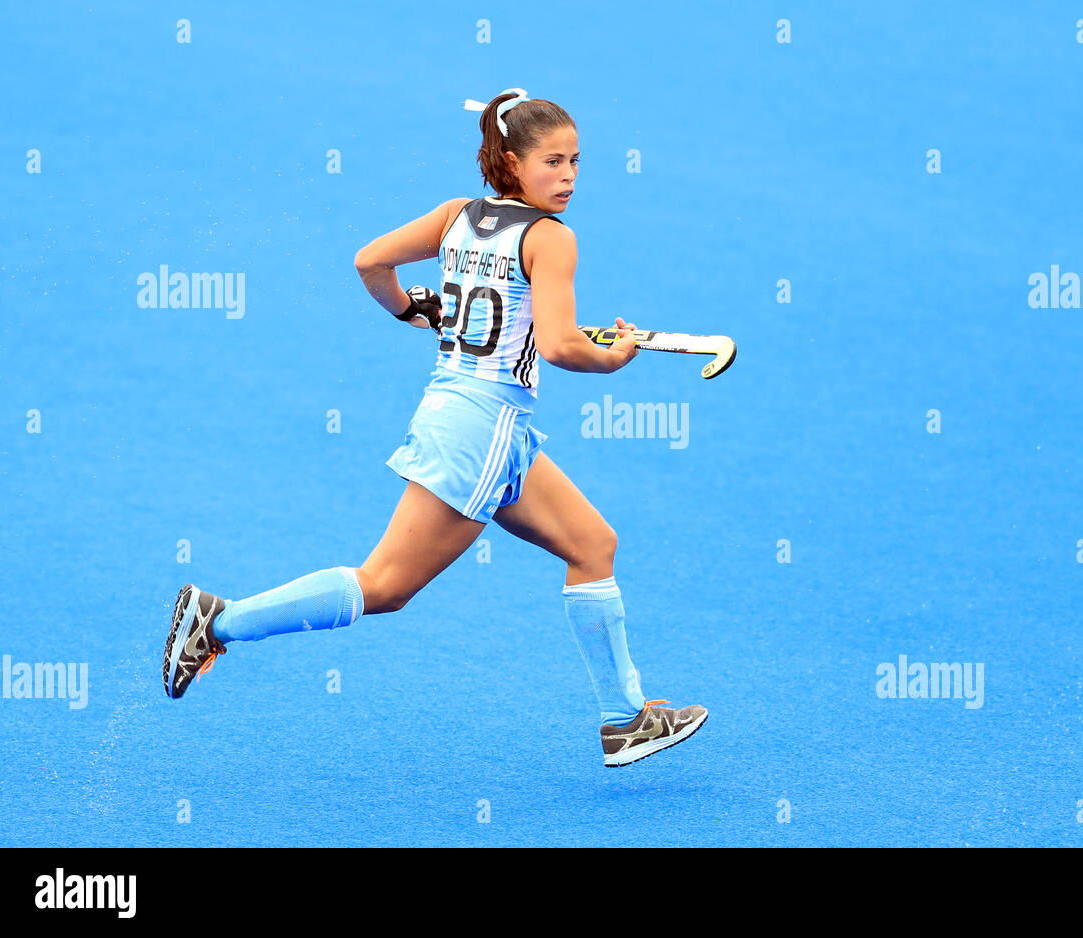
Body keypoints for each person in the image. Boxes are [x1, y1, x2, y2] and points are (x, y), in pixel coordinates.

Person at [162, 88, 708, 767]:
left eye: (575, 163)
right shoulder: (552, 240)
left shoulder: (458, 216)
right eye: (551, 163)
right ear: (511, 162)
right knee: (386, 585)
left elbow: (370, 262)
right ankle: (218, 621)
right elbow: (566, 347)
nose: (567, 178)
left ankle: (625, 720)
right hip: (482, 429)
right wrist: (613, 358)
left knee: (593, 544)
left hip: (474, 419)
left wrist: (411, 310)